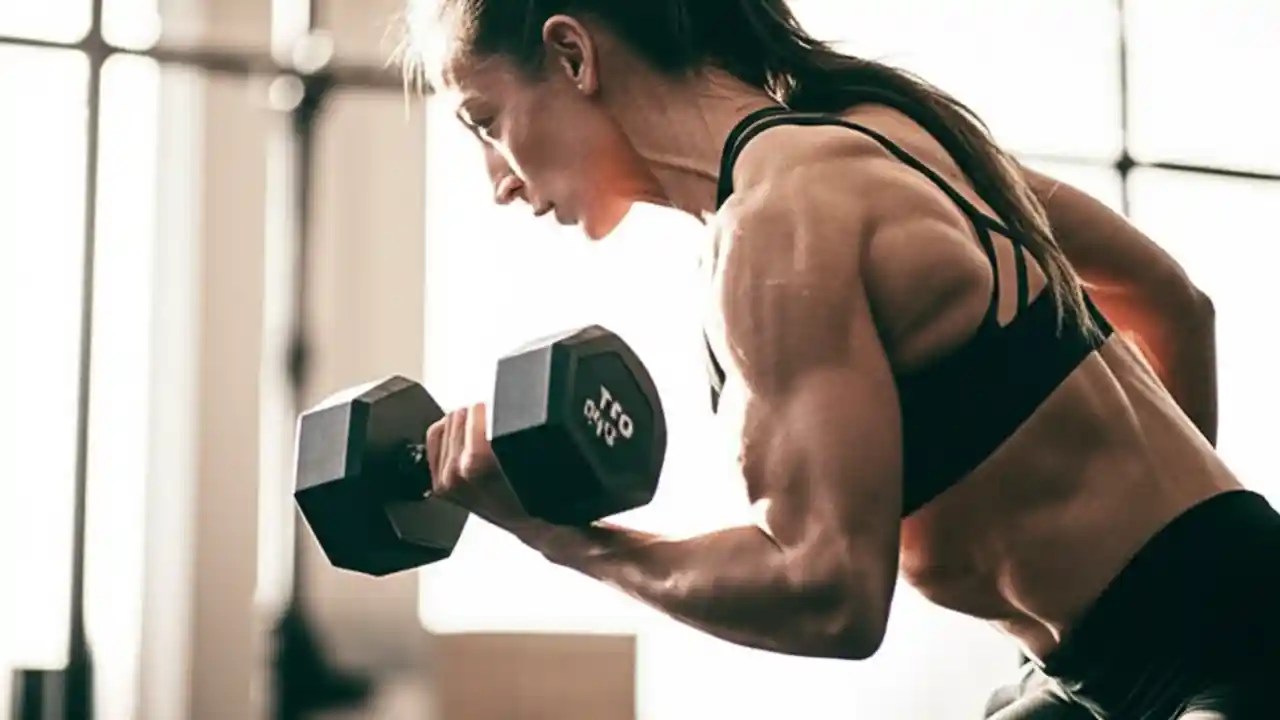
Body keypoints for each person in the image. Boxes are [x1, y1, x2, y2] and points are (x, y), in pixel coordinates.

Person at [405, 1, 1280, 717]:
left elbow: (828, 594)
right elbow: (1173, 303)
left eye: (486, 124)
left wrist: (557, 538)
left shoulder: (776, 223)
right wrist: (1163, 541)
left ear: (572, 55)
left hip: (1228, 661)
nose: (498, 181)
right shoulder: (879, 125)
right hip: (1113, 661)